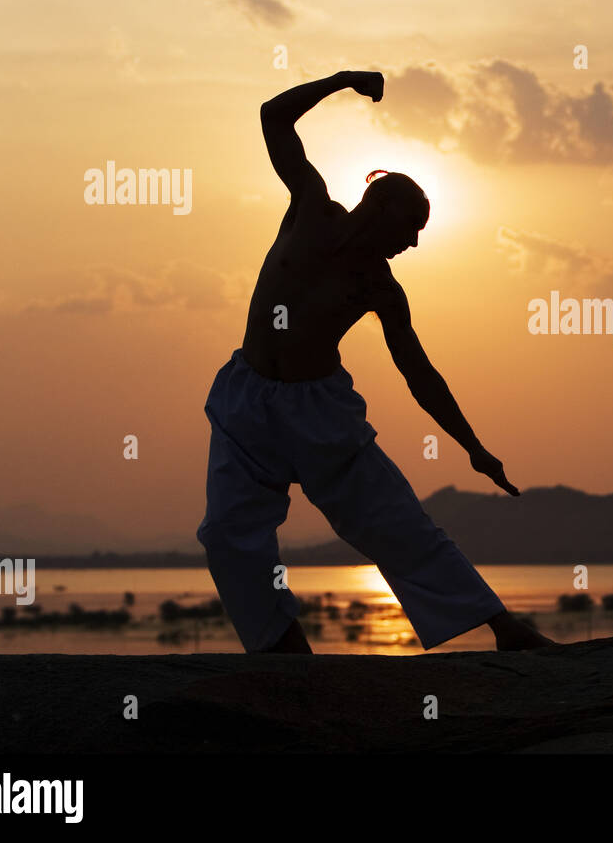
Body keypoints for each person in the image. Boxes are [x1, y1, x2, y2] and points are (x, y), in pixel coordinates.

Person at [196, 70, 552, 654]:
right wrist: (343, 80)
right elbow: (272, 115)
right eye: (410, 228)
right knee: (228, 535)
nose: (412, 244)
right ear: (379, 206)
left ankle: (505, 630)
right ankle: (281, 650)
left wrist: (474, 447)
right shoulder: (310, 210)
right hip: (249, 400)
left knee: (395, 521)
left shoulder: (380, 289)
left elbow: (420, 375)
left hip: (320, 414)